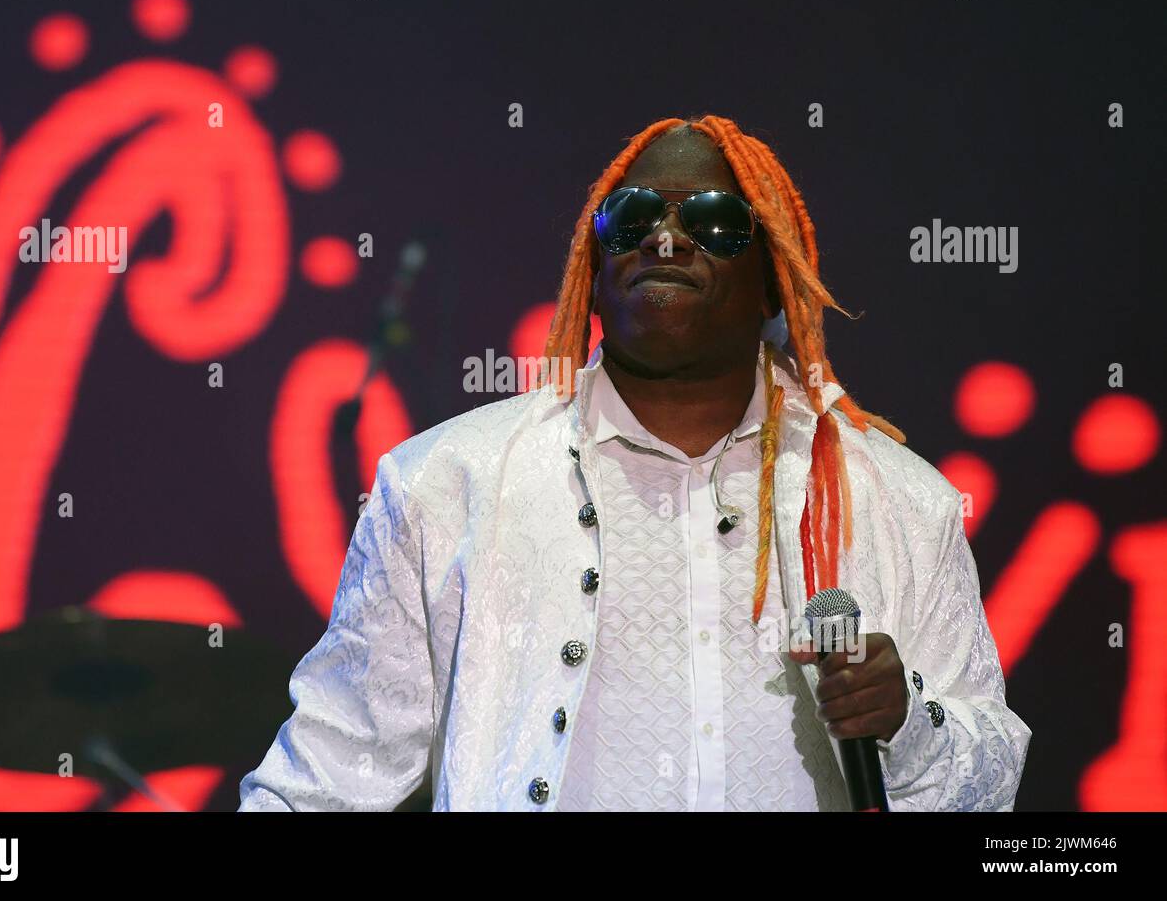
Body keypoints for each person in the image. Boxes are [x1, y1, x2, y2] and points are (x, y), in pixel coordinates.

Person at [239, 114, 1032, 811]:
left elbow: (990, 783)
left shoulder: (896, 499)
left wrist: (906, 718)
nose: (665, 236)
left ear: (774, 284)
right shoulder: (445, 485)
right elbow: (328, 778)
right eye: (634, 216)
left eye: (718, 221)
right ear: (590, 274)